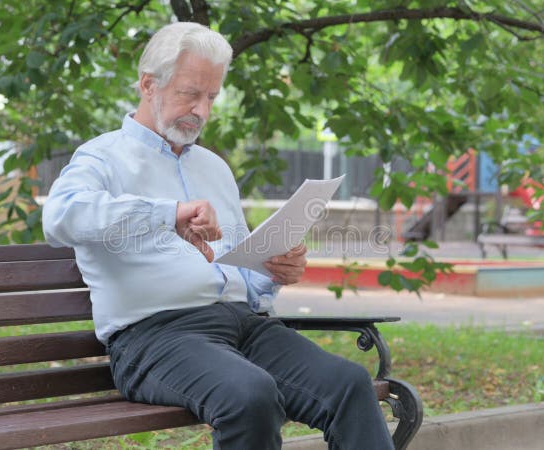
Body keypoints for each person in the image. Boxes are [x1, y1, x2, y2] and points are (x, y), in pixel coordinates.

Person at [42, 22, 394, 450]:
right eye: (191, 93)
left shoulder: (214, 168)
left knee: (350, 384)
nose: (202, 111)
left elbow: (239, 273)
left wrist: (273, 270)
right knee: (250, 394)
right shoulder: (102, 157)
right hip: (153, 338)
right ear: (149, 85)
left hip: (242, 326)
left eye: (211, 97)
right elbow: (61, 217)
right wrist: (167, 214)